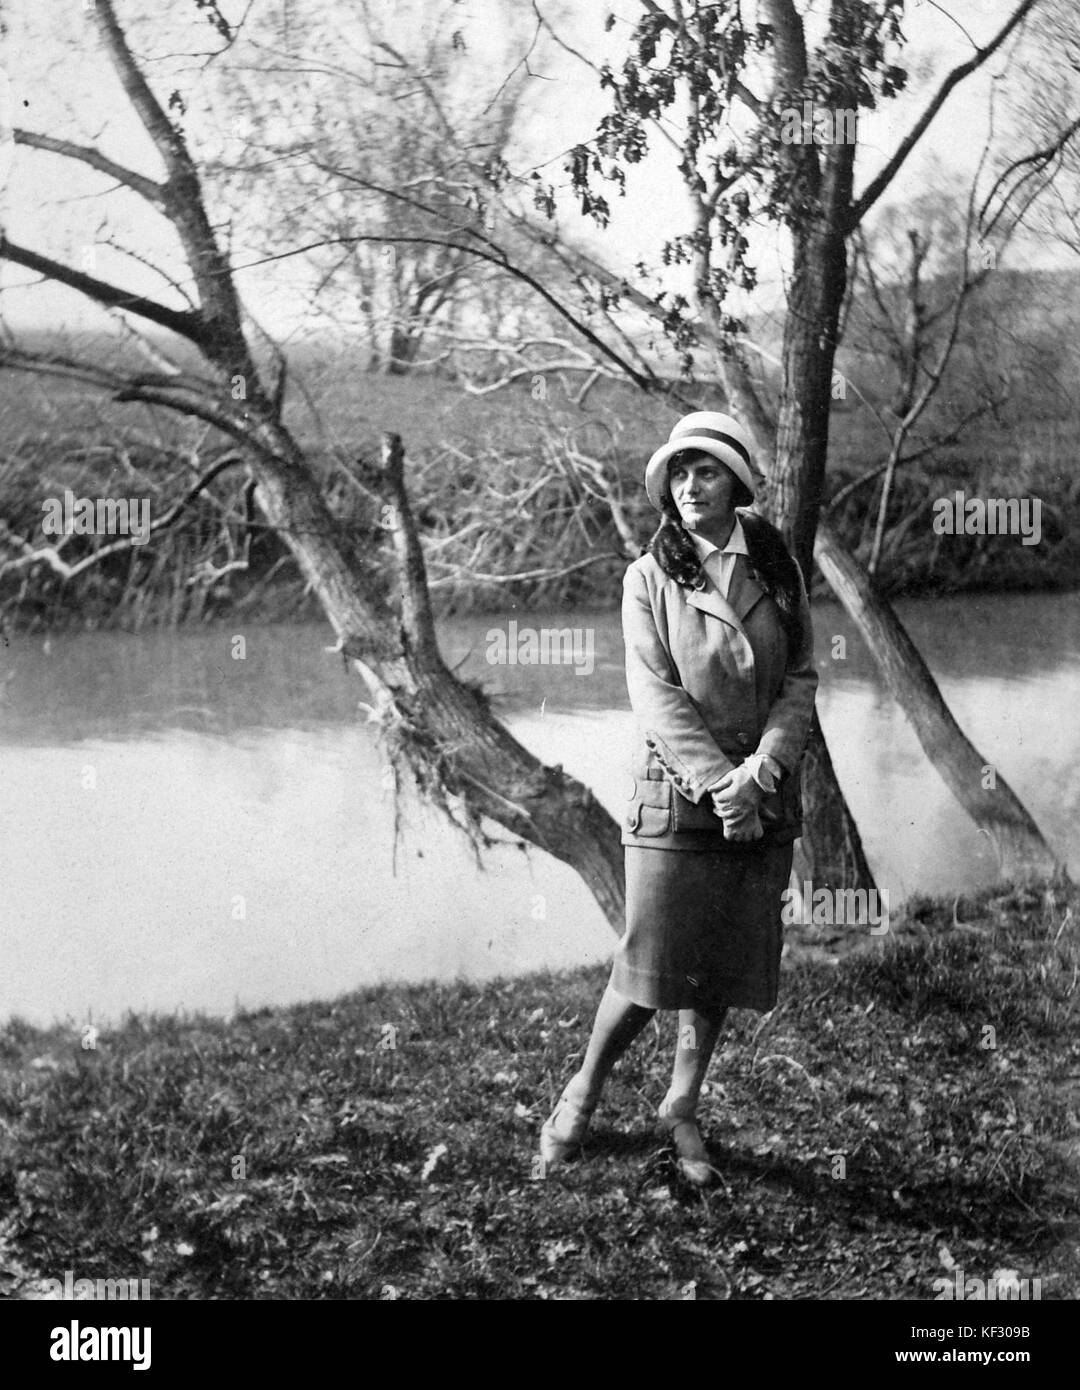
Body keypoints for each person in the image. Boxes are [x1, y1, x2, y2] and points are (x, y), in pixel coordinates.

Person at [538, 411, 818, 1186]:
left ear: (738, 483)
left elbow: (801, 677)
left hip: (764, 793)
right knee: (650, 966)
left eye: (708, 471)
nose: (691, 486)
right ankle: (583, 1091)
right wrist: (721, 785)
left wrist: (762, 771)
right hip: (677, 798)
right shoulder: (649, 575)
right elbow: (656, 696)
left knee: (723, 966)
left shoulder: (776, 567)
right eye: (680, 474)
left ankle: (681, 1106)